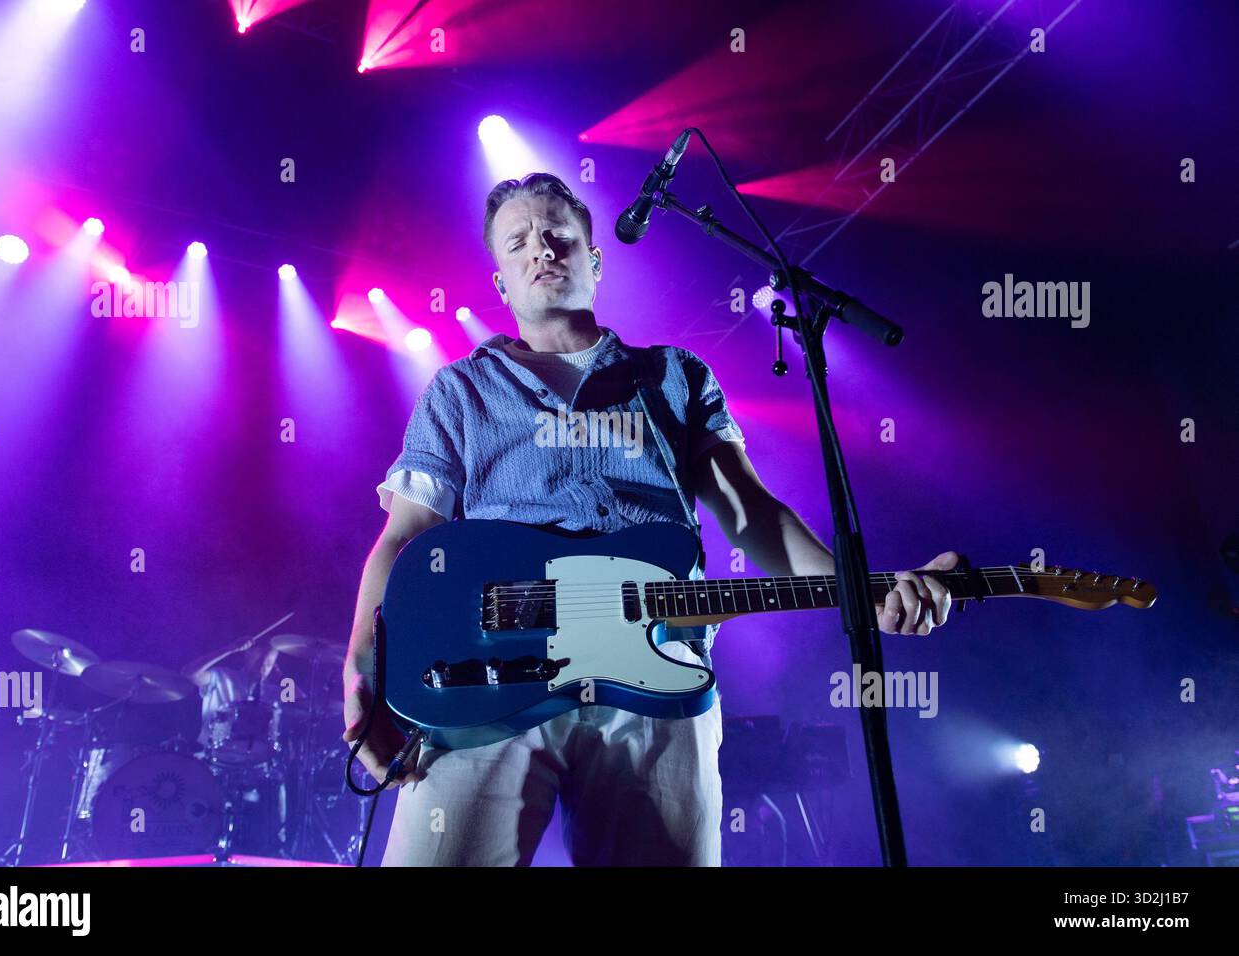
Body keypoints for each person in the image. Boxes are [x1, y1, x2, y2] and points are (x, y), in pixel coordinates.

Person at [342, 172, 959, 866]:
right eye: (517, 243)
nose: (541, 249)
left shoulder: (675, 377)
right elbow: (406, 533)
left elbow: (753, 515)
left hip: (660, 676)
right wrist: (363, 669)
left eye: (558, 234)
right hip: (490, 681)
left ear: (595, 261)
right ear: (500, 285)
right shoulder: (458, 390)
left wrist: (864, 591)